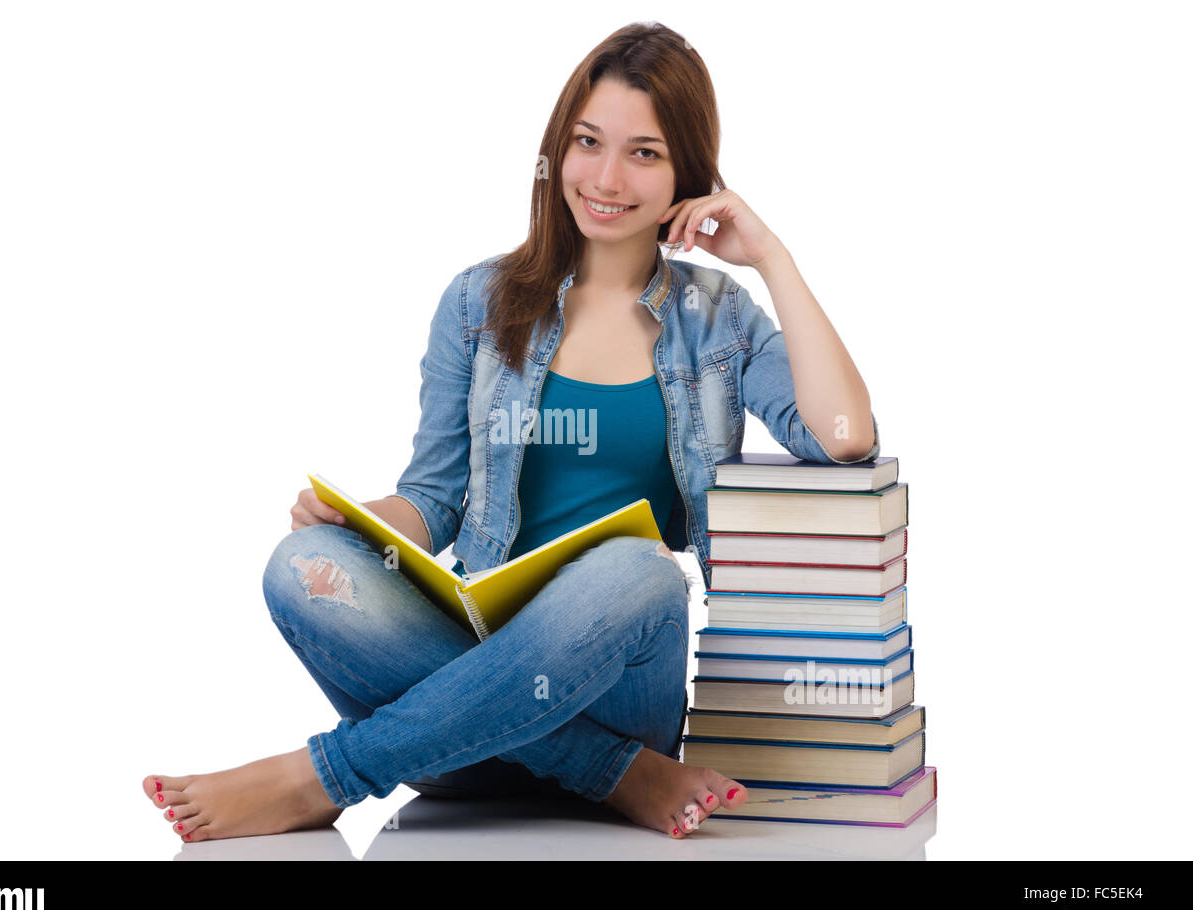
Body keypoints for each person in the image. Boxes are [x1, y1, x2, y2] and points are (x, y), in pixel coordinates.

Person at [142, 21, 880, 843]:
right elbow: (432, 499)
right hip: (470, 691)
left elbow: (844, 434)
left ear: (689, 174)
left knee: (641, 571)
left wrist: (771, 256)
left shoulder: (719, 320)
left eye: (644, 153)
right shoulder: (476, 303)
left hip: (618, 681)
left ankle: (331, 773)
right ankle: (609, 773)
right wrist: (363, 523)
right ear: (555, 152)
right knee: (297, 567)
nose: (605, 177)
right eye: (587, 143)